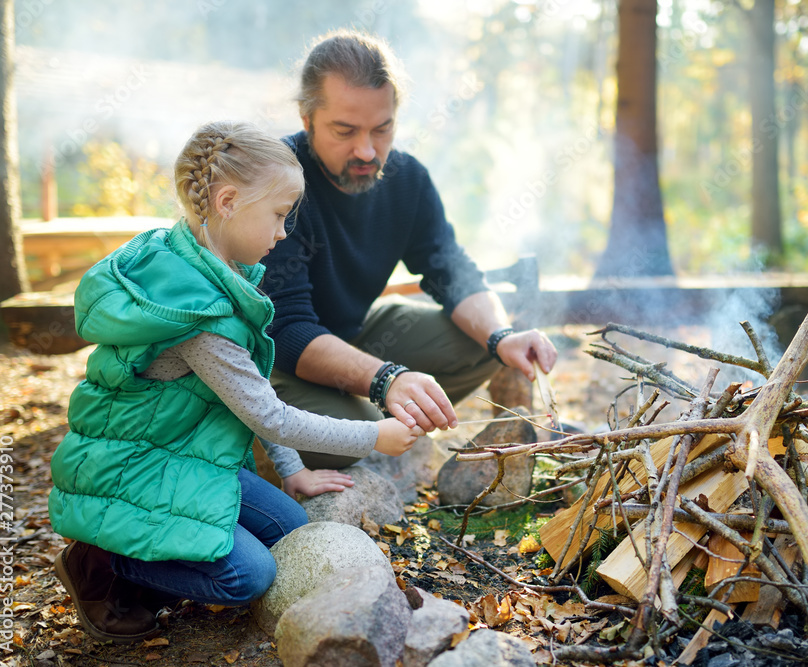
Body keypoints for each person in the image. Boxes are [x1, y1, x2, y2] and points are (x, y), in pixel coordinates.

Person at [48, 120, 423, 643]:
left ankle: (156, 543)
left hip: (182, 455)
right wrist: (371, 435)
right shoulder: (196, 313)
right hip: (133, 469)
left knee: (292, 531)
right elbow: (268, 414)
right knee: (249, 576)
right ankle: (103, 561)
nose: (283, 232)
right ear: (226, 201)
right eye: (277, 214)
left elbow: (253, 390)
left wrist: (291, 471)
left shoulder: (211, 270)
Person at [260, 30, 559, 498]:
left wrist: (503, 336)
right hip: (271, 359)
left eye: (382, 128)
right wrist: (386, 379)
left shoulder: (407, 180)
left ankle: (360, 421)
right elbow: (289, 330)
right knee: (350, 435)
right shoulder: (278, 181)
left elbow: (448, 269)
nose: (367, 150)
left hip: (350, 334)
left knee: (483, 345)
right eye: (345, 131)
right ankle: (278, 437)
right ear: (307, 118)